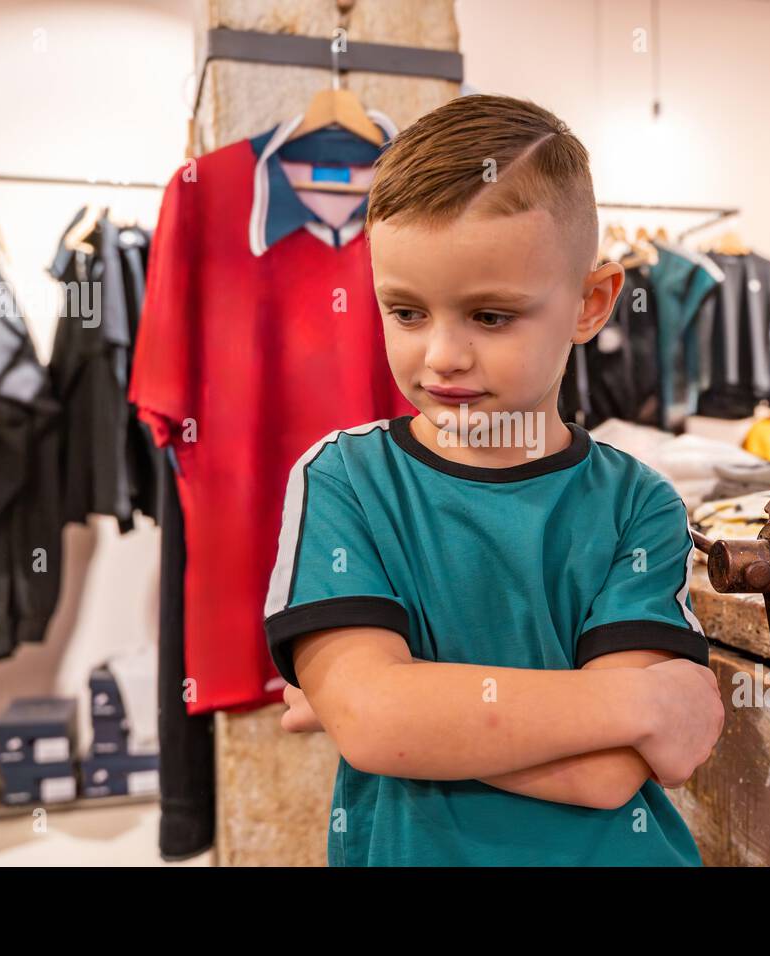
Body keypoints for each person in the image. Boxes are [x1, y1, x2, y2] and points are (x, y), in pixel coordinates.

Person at [262, 94, 725, 866]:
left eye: (490, 317)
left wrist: (402, 715)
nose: (441, 355)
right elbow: (379, 722)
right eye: (406, 313)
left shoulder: (640, 503)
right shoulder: (343, 479)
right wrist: (640, 702)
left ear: (589, 303)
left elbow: (609, 776)